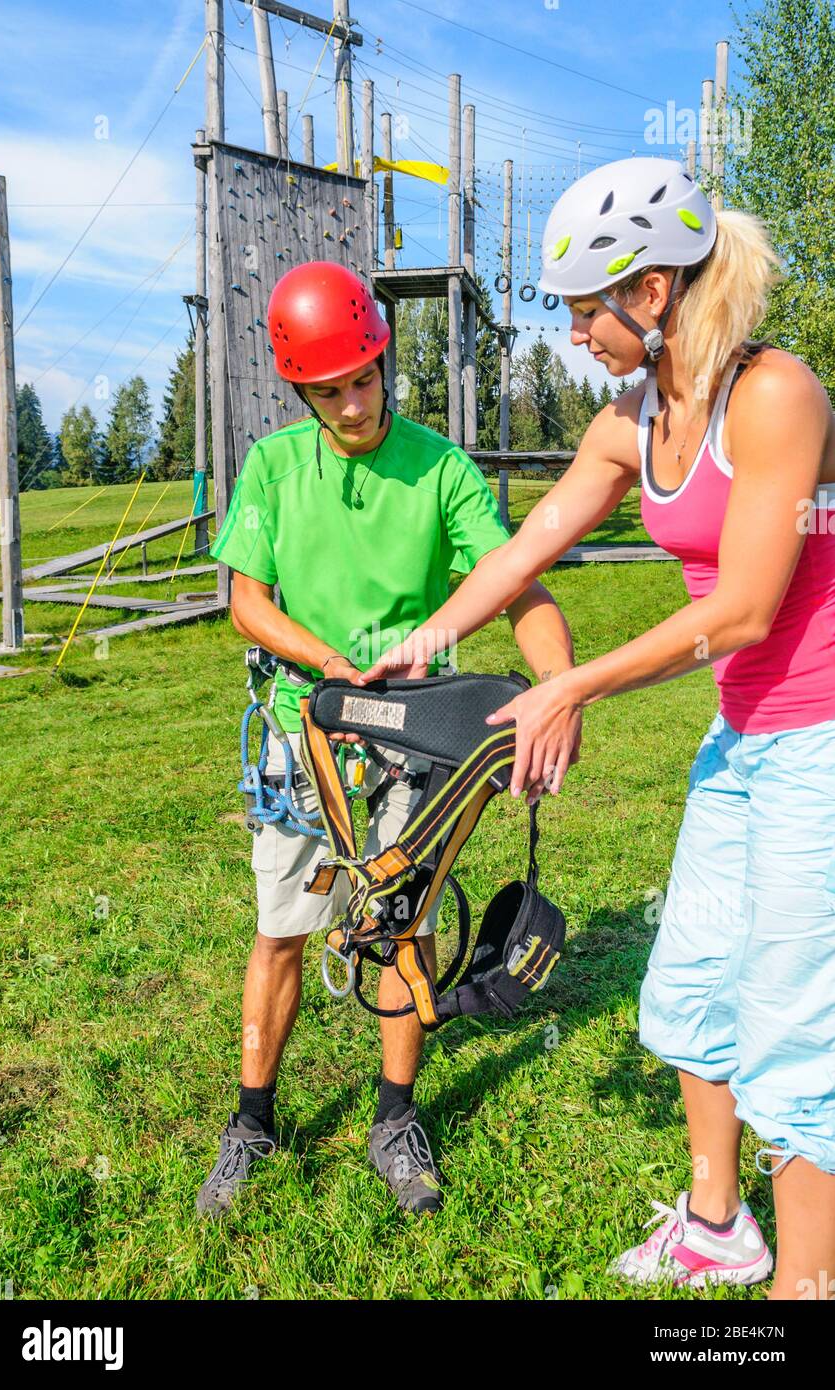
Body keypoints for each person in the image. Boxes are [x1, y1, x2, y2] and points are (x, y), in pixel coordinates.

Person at [360, 158, 835, 1296]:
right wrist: (426, 638)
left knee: (789, 1025)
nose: (576, 336)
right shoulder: (634, 420)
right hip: (743, 742)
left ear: (652, 292)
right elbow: (528, 547)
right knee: (683, 990)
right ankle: (719, 1226)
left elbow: (744, 606)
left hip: (820, 742)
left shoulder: (772, 396)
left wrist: (570, 686)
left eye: (585, 312)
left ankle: (803, 1286)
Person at [197, 260, 578, 1219]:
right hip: (301, 734)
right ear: (301, 391)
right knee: (283, 928)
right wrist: (326, 661)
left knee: (406, 922)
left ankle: (394, 1116)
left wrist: (559, 687)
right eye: (330, 392)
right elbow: (245, 599)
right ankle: (252, 1120)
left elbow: (519, 582)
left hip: (410, 738)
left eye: (365, 379)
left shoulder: (441, 469)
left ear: (384, 358)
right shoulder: (275, 466)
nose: (354, 403)